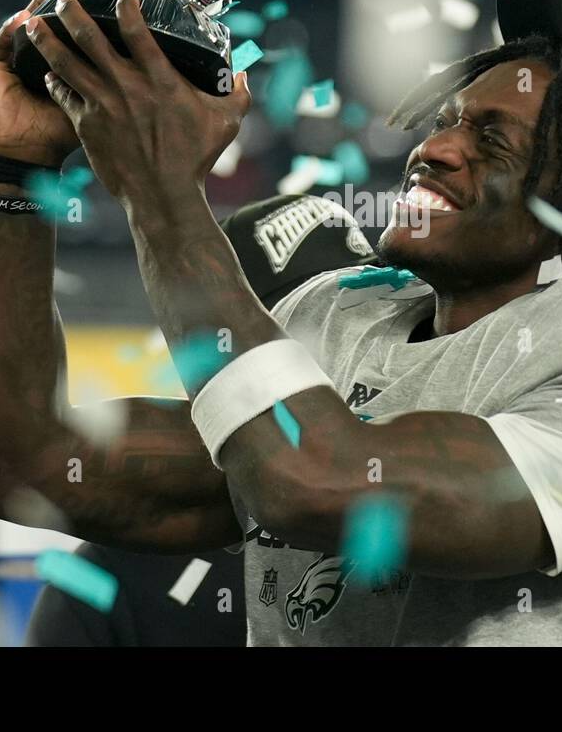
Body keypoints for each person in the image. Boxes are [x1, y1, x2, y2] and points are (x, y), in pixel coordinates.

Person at [0, 0, 562, 646]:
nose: (434, 150)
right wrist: (17, 173)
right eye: (448, 122)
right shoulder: (341, 311)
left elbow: (313, 483)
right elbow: (30, 464)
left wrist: (162, 191)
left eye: (493, 143)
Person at [25, 193, 376, 646]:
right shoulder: (111, 583)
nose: (357, 343)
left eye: (368, 314)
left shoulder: (434, 504)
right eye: (312, 320)